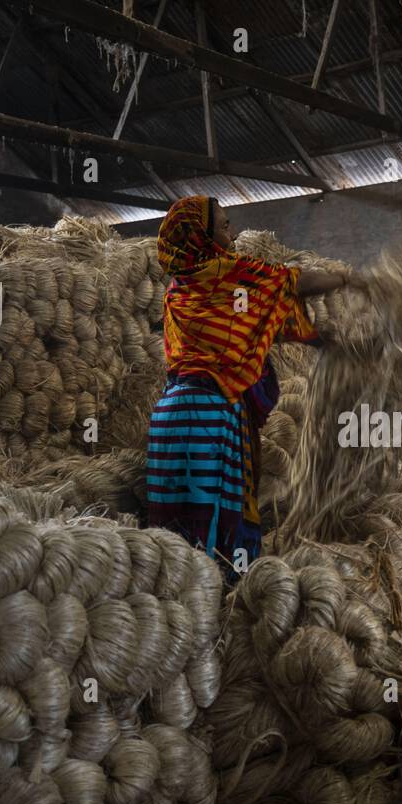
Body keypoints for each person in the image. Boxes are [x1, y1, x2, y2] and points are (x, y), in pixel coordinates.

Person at [147, 194, 350, 580]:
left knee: (172, 524)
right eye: (224, 225)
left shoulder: (176, 293)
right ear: (200, 235)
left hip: (169, 418)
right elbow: (291, 283)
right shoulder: (229, 274)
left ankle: (173, 598)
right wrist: (344, 278)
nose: (232, 233)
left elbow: (236, 329)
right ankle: (219, 600)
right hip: (212, 416)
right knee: (221, 520)